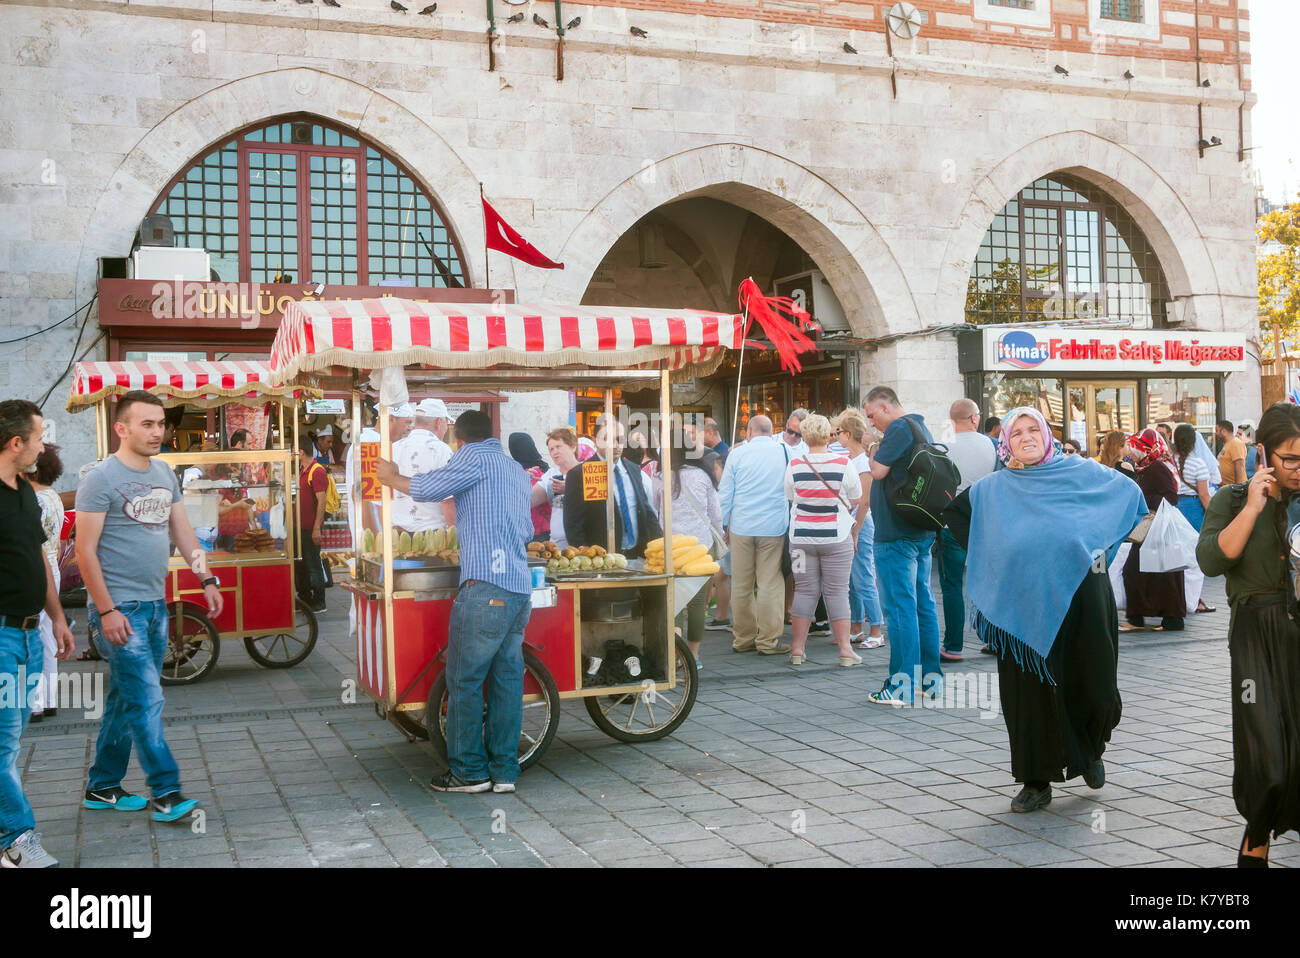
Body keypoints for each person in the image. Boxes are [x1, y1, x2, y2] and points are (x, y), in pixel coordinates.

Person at [945, 406, 1145, 814]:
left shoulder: (1082, 472)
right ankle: (1036, 780)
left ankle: (1088, 753)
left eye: (1032, 429)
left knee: (1092, 680)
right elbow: (954, 515)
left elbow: (1130, 496)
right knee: (1027, 693)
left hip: (1084, 598)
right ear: (1006, 444)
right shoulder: (992, 489)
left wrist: (1100, 546)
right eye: (1016, 433)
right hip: (1021, 605)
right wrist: (995, 556)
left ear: (1046, 434)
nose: (1025, 437)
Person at [75, 390, 219, 825]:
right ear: (122, 428)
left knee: (126, 698)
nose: (158, 432)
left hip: (156, 606)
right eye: (147, 424)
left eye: (161, 424)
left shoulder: (163, 472)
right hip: (121, 610)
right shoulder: (100, 478)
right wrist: (106, 611)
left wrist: (206, 577)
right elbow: (84, 552)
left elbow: (183, 533)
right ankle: (166, 792)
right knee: (147, 701)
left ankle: (102, 785)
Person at [375, 410, 534, 794]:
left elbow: (429, 488)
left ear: (459, 440)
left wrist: (391, 477)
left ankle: (468, 773)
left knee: (464, 680)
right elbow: (527, 529)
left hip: (484, 588)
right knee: (507, 682)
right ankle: (505, 773)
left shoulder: (472, 458)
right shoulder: (515, 469)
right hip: (518, 587)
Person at [1196, 402, 1300, 867]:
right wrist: (1256, 506)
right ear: (1264, 453)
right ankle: (1257, 834)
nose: (1298, 469)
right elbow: (1213, 562)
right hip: (1256, 634)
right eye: (1290, 459)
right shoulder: (1234, 500)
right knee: (1266, 755)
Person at [0, 400, 75, 868]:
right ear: (15, 443)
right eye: (39, 437)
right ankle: (17, 839)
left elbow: (41, 561)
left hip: (29, 635)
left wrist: (60, 620)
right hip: (2, 636)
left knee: (11, 740)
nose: (43, 445)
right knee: (3, 743)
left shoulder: (24, 493)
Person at [862, 386, 942, 705]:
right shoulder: (921, 425)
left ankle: (901, 685)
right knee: (923, 604)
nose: (871, 424)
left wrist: (871, 449)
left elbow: (878, 471)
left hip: (896, 534)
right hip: (921, 529)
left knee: (900, 608)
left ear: (884, 407)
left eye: (871, 415)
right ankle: (929, 681)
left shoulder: (897, 428)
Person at [784, 414, 862, 668]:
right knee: (838, 591)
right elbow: (856, 496)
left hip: (800, 538)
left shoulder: (795, 463)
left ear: (805, 436)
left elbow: (791, 496)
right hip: (836, 537)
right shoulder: (843, 462)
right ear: (828, 434)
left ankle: (797, 649)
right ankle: (845, 650)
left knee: (803, 590)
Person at [717, 416, 791, 656]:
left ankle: (743, 638)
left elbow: (725, 493)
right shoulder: (785, 452)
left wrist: (724, 525)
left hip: (742, 525)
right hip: (773, 526)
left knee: (741, 583)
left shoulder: (737, 454)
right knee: (770, 582)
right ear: (772, 432)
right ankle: (768, 641)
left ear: (749, 431)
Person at [936, 398, 998, 662]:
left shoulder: (942, 447)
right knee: (988, 583)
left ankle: (953, 646)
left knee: (951, 585)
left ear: (953, 420)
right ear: (975, 418)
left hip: (951, 523)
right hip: (984, 522)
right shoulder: (991, 444)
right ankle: (993, 639)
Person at [654, 439, 722, 669]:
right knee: (696, 603)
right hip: (701, 547)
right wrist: (720, 534)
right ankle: (693, 655)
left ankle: (674, 654)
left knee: (672, 601)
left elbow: (655, 511)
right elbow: (716, 514)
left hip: (671, 547)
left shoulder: (662, 477)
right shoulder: (703, 476)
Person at [564, 414, 660, 559]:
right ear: (595, 441)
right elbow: (573, 525)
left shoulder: (634, 469)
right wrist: (587, 559)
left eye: (619, 439)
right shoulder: (580, 474)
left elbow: (647, 512)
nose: (615, 445)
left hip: (638, 556)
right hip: (601, 560)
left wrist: (659, 546)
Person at [1120, 429, 1186, 633]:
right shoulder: (1147, 467)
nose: (1131, 452)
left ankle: (1162, 618)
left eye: (1135, 448)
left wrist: (1144, 501)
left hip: (1157, 527)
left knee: (1151, 571)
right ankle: (1148, 617)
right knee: (1148, 572)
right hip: (1151, 528)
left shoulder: (1157, 468)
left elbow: (1171, 497)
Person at [835, 408, 884, 650]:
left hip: (860, 525)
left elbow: (864, 501)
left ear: (847, 434)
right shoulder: (851, 459)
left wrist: (856, 530)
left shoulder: (862, 462)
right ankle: (856, 627)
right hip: (851, 523)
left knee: (864, 576)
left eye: (838, 431)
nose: (836, 436)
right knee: (853, 579)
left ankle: (876, 628)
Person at [27, 444, 65, 722]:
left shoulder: (31, 498)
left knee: (34, 635)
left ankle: (36, 702)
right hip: (53, 564)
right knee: (48, 636)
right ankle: (48, 698)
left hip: (36, 567)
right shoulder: (53, 496)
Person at [393, 399, 452, 534]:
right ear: (439, 422)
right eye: (446, 423)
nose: (446, 429)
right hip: (432, 536)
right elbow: (448, 501)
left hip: (395, 535)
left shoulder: (393, 448)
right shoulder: (442, 450)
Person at [297, 433, 329, 613]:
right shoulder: (303, 470)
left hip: (310, 527)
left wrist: (317, 527)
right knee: (302, 564)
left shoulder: (316, 471)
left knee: (313, 564)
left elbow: (321, 501)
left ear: (300, 452)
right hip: (300, 527)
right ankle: (305, 599)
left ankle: (319, 601)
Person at [534, 428, 580, 548]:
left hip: (582, 545)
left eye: (558, 447)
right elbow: (528, 499)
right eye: (551, 449)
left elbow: (599, 504)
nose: (554, 452)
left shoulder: (587, 471)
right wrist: (521, 479)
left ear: (573, 446)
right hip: (557, 546)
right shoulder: (551, 474)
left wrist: (570, 489)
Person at [1172, 424, 1213, 531]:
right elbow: (1204, 495)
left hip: (1172, 507)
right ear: (1193, 442)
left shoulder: (1168, 461)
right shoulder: (1198, 464)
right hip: (1193, 509)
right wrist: (1214, 516)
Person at [1216, 419, 1247, 486]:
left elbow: (1239, 465)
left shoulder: (1235, 443)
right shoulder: (1227, 444)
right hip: (1227, 488)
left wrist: (1237, 488)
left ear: (1224, 431)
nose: (1216, 433)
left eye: (1217, 431)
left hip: (1233, 490)